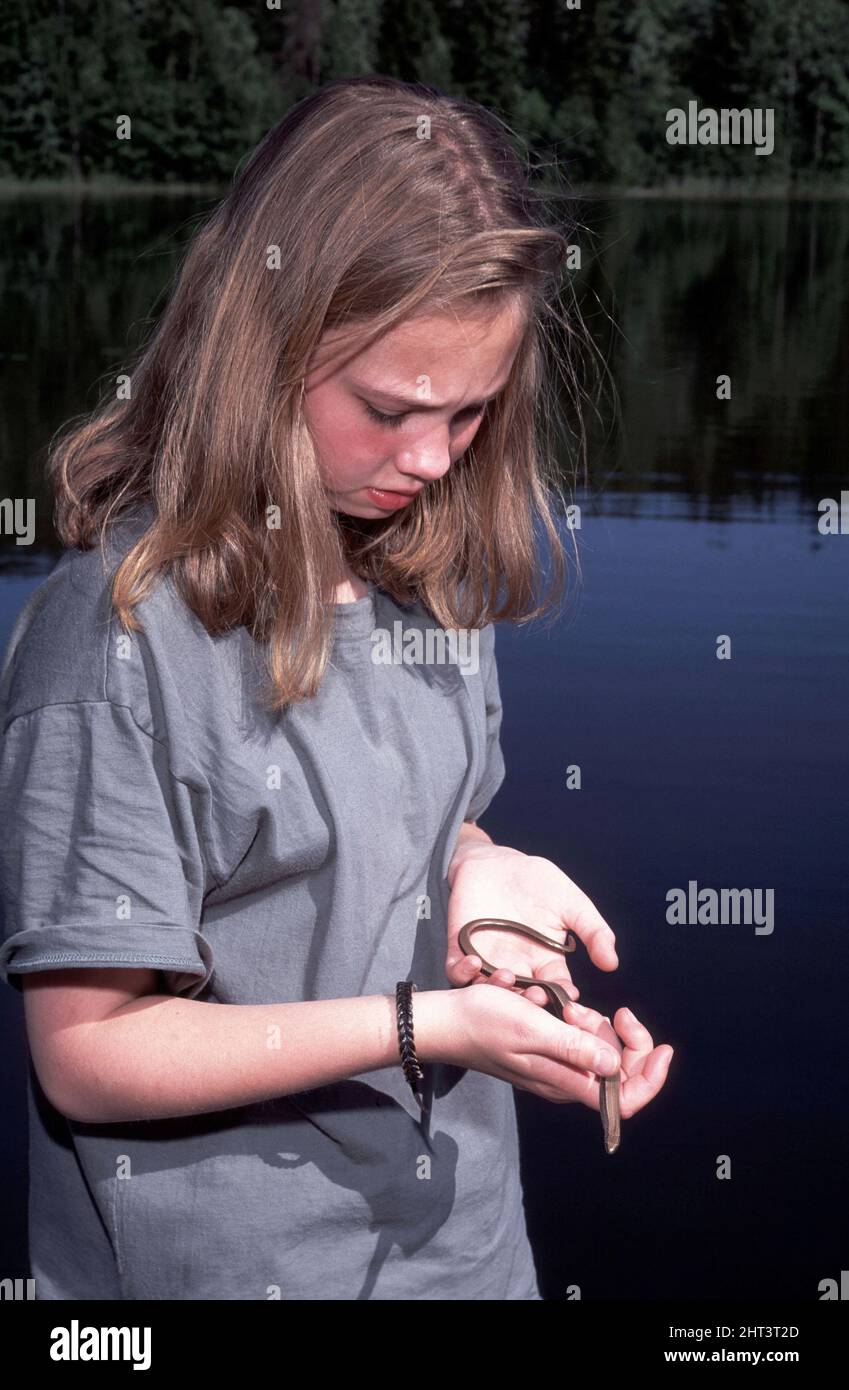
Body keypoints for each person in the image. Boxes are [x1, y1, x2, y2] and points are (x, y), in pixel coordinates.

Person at [0, 76, 673, 1301]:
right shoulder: (114, 646)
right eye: (389, 410)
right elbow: (88, 1053)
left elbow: (380, 819)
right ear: (262, 344)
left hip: (468, 1265)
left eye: (471, 414)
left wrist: (481, 871)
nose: (429, 460)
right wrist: (424, 1027)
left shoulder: (425, 579)